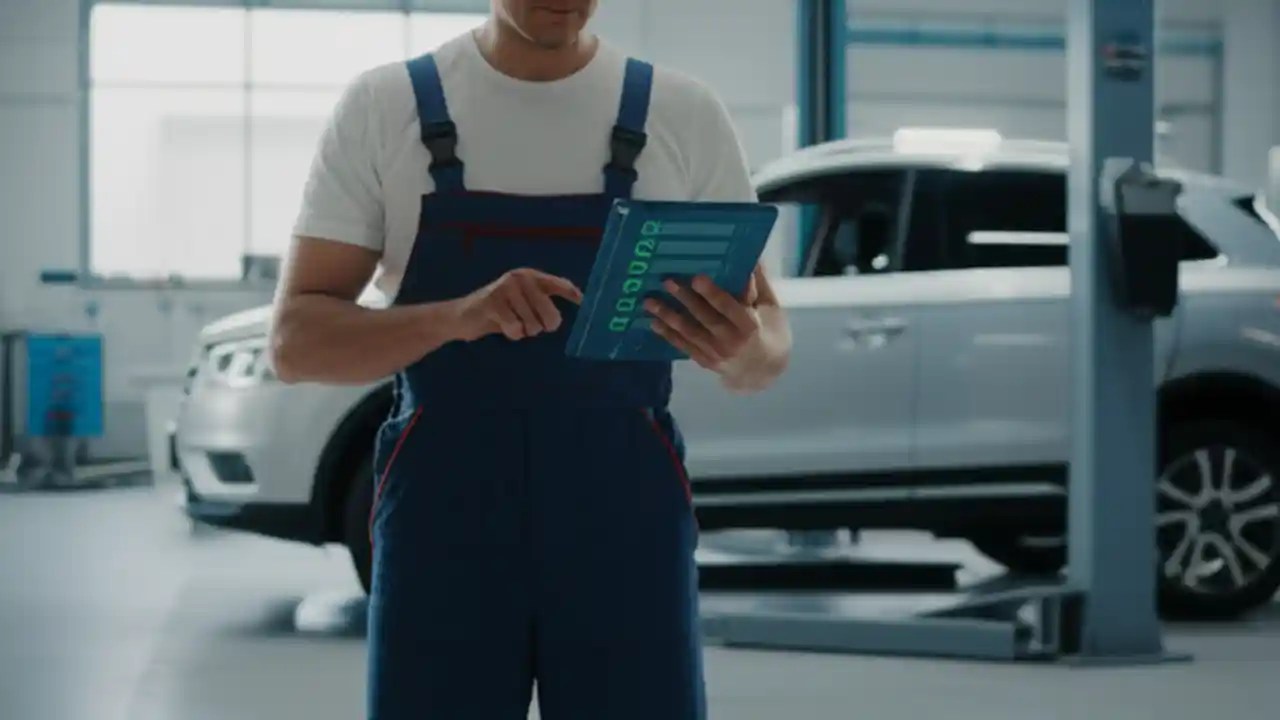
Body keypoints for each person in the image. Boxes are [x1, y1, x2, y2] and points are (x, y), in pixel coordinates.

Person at [269, 1, 792, 718]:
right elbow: (295, 343)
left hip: (623, 509)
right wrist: (458, 317)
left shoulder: (683, 113)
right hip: (444, 509)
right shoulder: (385, 107)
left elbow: (768, 347)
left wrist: (742, 351)